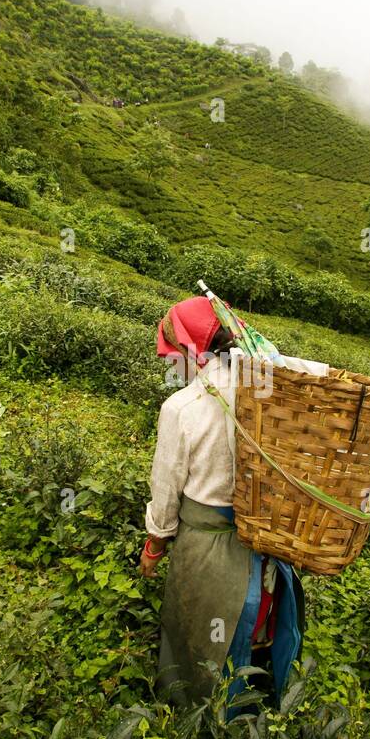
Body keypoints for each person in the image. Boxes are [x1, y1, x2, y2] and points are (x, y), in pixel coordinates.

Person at [140, 296, 330, 717]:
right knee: (255, 635)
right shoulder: (271, 382)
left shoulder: (182, 408)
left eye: (174, 358)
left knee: (204, 641)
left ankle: (198, 717)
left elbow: (166, 491)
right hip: (266, 548)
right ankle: (257, 718)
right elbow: (325, 377)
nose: (174, 367)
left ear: (192, 351)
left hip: (207, 552)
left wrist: (154, 545)